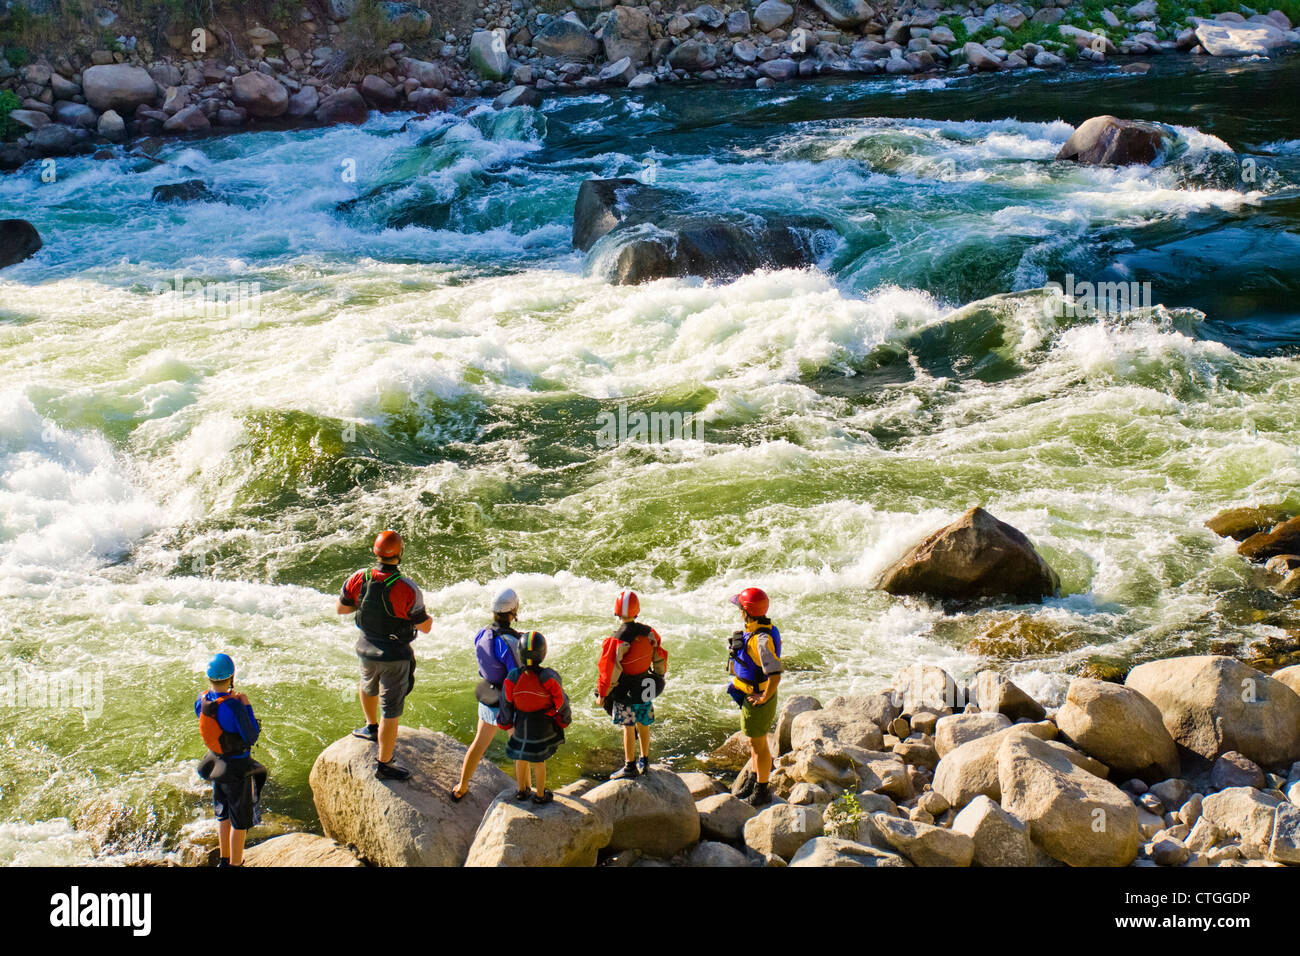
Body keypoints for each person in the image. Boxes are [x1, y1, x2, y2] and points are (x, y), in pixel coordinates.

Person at [336, 530, 431, 780]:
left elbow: (342, 608)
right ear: (399, 554)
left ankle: (369, 725)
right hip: (394, 655)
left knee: (367, 685)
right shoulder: (407, 588)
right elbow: (425, 625)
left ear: (375, 552)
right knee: (390, 709)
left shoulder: (359, 577)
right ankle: (385, 763)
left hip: (366, 648)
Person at [450, 588, 524, 802]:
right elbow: (515, 675)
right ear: (514, 611)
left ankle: (462, 786)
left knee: (479, 744)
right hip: (506, 702)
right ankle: (523, 790)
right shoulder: (510, 642)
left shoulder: (482, 633)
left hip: (488, 696)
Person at [195, 653, 267, 868]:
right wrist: (245, 705)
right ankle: (236, 863)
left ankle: (224, 860)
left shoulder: (202, 700)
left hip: (217, 765)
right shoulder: (234, 705)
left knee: (223, 814)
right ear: (231, 676)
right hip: (236, 769)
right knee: (240, 821)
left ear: (209, 678)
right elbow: (251, 735)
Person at [596, 590, 668, 780]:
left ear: (617, 612)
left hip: (625, 691)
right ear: (637, 611)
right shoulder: (649, 633)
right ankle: (645, 760)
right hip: (645, 686)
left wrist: (603, 694)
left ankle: (629, 765)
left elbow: (609, 669)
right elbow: (659, 656)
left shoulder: (616, 640)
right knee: (644, 723)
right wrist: (659, 676)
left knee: (628, 727)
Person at [725, 587, 783, 807]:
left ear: (746, 612)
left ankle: (761, 790)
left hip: (758, 700)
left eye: (741, 608)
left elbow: (775, 674)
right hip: (752, 697)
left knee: (759, 746)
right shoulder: (761, 630)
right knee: (754, 743)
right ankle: (752, 780)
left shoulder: (760, 640)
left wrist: (764, 697)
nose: (739, 612)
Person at [497, 631, 570, 804]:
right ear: (543, 653)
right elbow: (561, 701)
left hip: (521, 722)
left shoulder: (513, 676)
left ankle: (521, 790)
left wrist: (505, 722)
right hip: (542, 724)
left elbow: (506, 701)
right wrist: (562, 719)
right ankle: (540, 795)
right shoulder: (548, 677)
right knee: (539, 760)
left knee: (520, 756)